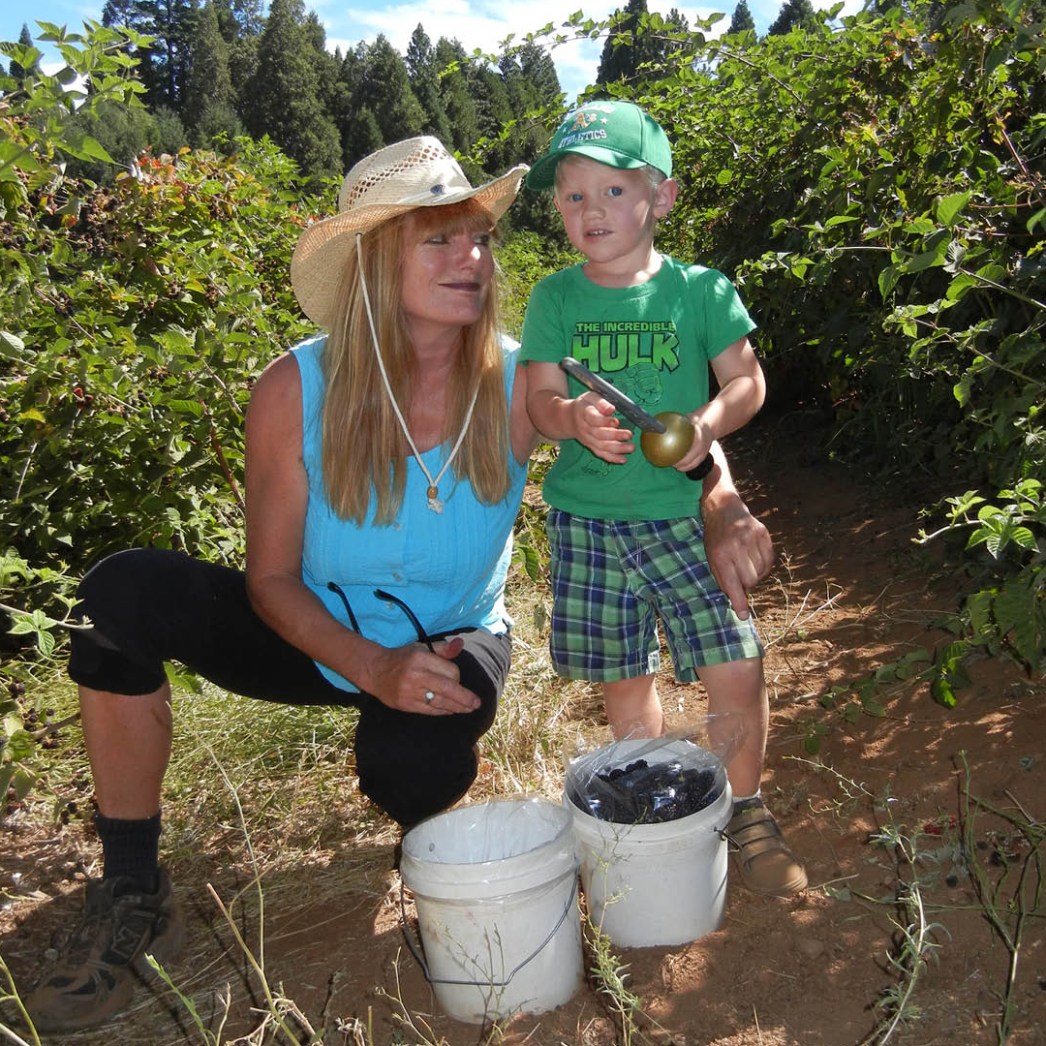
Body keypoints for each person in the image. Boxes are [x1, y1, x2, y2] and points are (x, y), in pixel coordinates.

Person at [25, 135, 775, 1034]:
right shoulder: (295, 386)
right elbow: (267, 578)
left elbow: (670, 424)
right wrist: (371, 667)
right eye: (440, 239)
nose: (473, 258)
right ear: (378, 258)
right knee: (119, 595)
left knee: (410, 766)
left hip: (453, 637)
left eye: (481, 239)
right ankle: (133, 883)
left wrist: (723, 499)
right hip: (313, 627)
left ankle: (423, 830)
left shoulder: (521, 382)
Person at [520, 100, 807, 898]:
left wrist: (704, 424)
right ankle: (651, 805)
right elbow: (540, 400)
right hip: (587, 522)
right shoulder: (555, 299)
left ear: (663, 196)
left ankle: (744, 808)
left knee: (734, 664)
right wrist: (572, 419)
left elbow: (747, 380)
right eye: (573, 196)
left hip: (684, 517)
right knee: (624, 675)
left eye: (613, 191)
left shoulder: (700, 291)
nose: (591, 212)